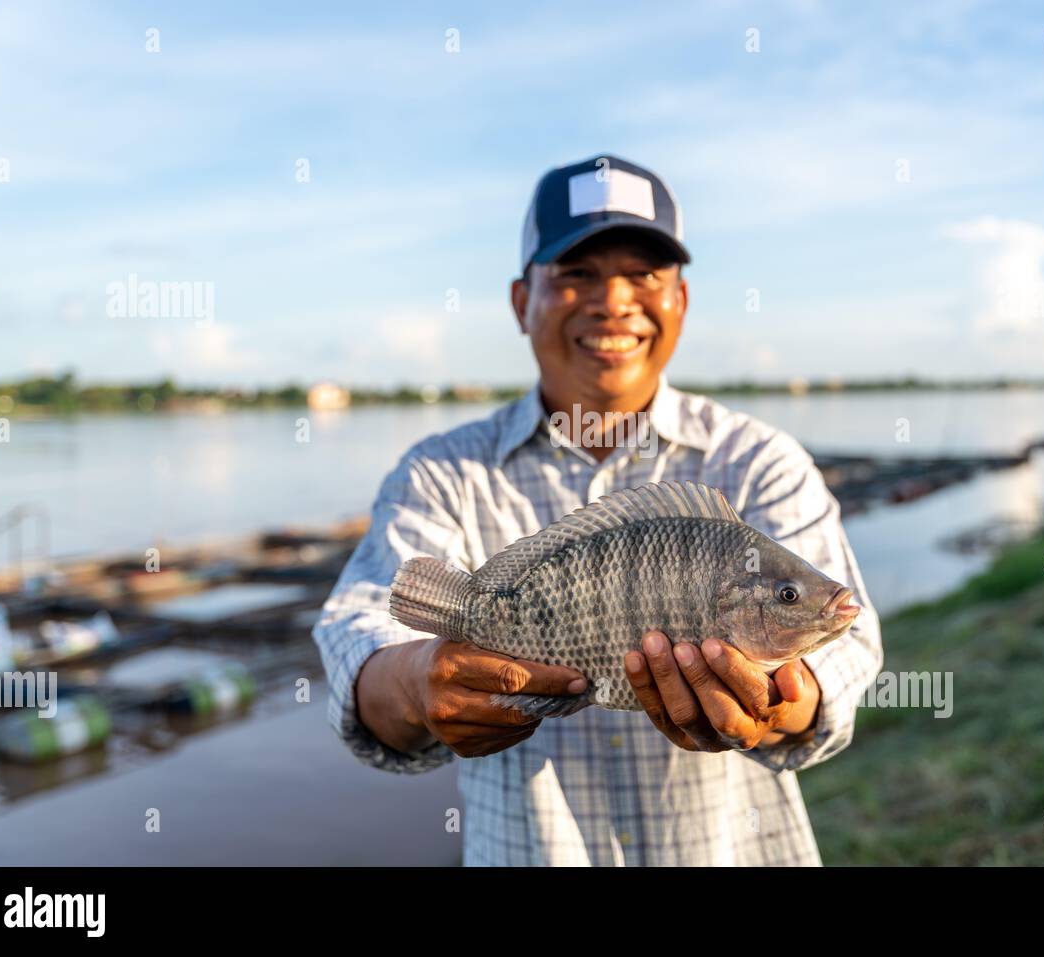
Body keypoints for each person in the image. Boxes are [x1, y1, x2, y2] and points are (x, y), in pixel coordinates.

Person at [312, 153, 883, 866]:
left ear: (680, 299)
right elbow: (358, 629)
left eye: (644, 274)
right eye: (576, 273)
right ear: (523, 302)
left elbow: (850, 655)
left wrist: (777, 709)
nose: (614, 301)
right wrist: (415, 682)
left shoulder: (760, 459)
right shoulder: (441, 471)